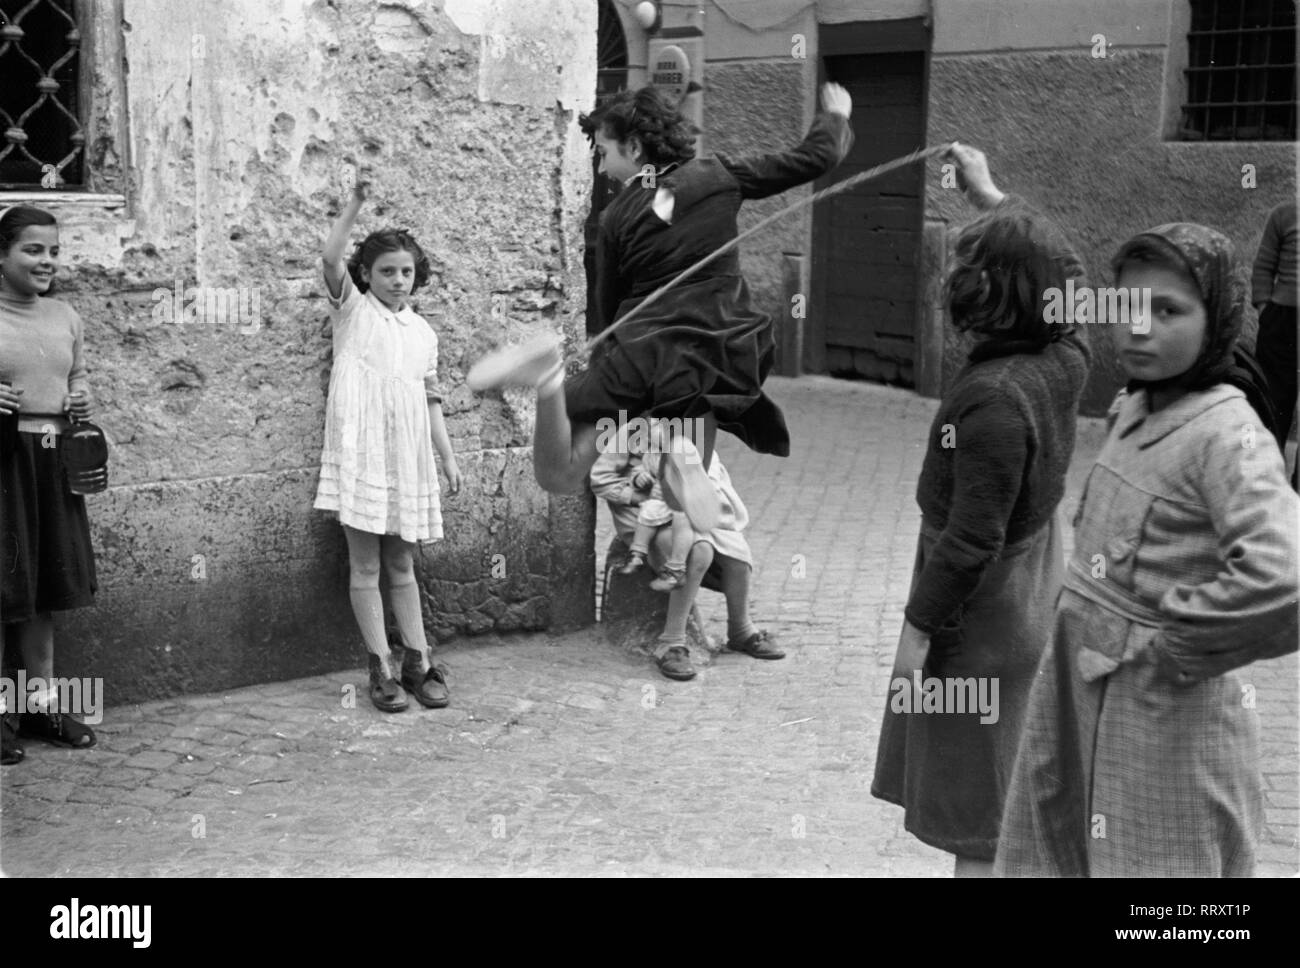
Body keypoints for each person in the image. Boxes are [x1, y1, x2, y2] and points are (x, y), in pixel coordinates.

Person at [995, 221, 1300, 877]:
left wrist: (1178, 643)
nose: (1140, 328)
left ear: (1215, 317)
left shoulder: (1226, 430)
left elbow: (1285, 577)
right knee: (1059, 850)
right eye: (1127, 306)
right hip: (1079, 687)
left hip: (1165, 718)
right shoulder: (1138, 405)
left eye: (1168, 310)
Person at [466, 82, 855, 531]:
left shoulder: (615, 216)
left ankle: (550, 379)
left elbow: (610, 310)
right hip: (717, 351)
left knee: (560, 473)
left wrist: (601, 377)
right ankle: (681, 455)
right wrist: (835, 115)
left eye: (604, 151)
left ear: (634, 147)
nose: (601, 165)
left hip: (640, 353)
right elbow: (813, 159)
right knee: (678, 494)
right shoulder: (720, 174)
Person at [870, 146, 1091, 876]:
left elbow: (968, 542)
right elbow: (1067, 271)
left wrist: (915, 634)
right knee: (1007, 784)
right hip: (1031, 585)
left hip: (983, 613)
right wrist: (991, 196)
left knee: (977, 819)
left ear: (996, 295)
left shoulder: (996, 398)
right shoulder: (1067, 354)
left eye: (973, 268)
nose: (956, 275)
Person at [316, 174, 463, 713]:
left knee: (402, 565)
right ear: (366, 275)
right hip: (362, 453)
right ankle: (378, 665)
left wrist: (445, 455)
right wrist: (354, 203)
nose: (398, 281)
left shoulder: (423, 334)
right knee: (365, 566)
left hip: (407, 458)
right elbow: (331, 257)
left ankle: (418, 659)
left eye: (406, 272)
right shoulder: (351, 311)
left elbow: (430, 401)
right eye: (386, 272)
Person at [0, 205, 100, 764]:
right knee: (0, 589)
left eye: (54, 251)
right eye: (33, 250)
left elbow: (76, 374)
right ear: (2, 254)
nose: (47, 261)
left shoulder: (65, 315)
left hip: (51, 459)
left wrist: (80, 398)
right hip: (2, 461)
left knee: (41, 592)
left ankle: (39, 705)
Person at [591, 444, 783, 681]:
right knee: (697, 551)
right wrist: (634, 494)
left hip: (697, 514)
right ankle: (671, 642)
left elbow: (710, 477)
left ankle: (741, 629)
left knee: (737, 555)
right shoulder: (630, 433)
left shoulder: (697, 431)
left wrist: (691, 493)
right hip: (651, 522)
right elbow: (601, 478)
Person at [615, 448, 695, 592]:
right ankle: (637, 554)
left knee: (681, 519)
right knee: (648, 509)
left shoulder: (687, 450)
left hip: (684, 504)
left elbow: (698, 477)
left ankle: (676, 571)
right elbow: (640, 469)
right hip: (662, 502)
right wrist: (640, 478)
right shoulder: (652, 453)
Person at [1251, 199, 1297, 445]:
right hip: (1282, 323)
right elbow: (1263, 267)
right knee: (1273, 403)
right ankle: (1266, 473)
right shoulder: (1284, 214)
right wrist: (1264, 309)